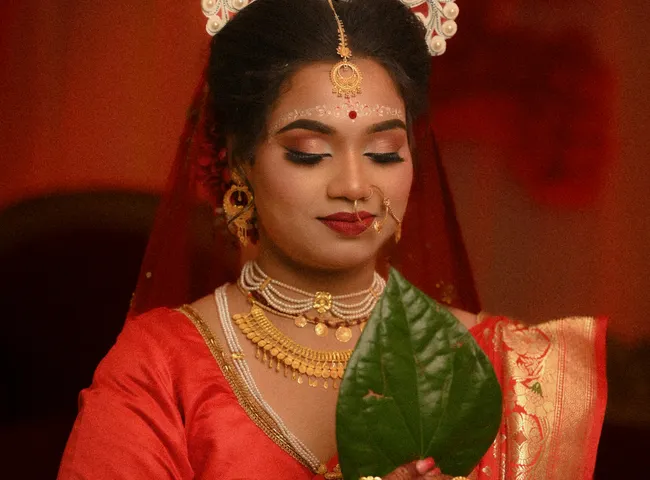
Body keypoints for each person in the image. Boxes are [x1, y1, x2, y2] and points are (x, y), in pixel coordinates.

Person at [57, 1, 606, 479]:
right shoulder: (159, 368)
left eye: (385, 152)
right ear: (241, 160)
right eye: (308, 152)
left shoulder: (501, 367)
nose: (353, 185)